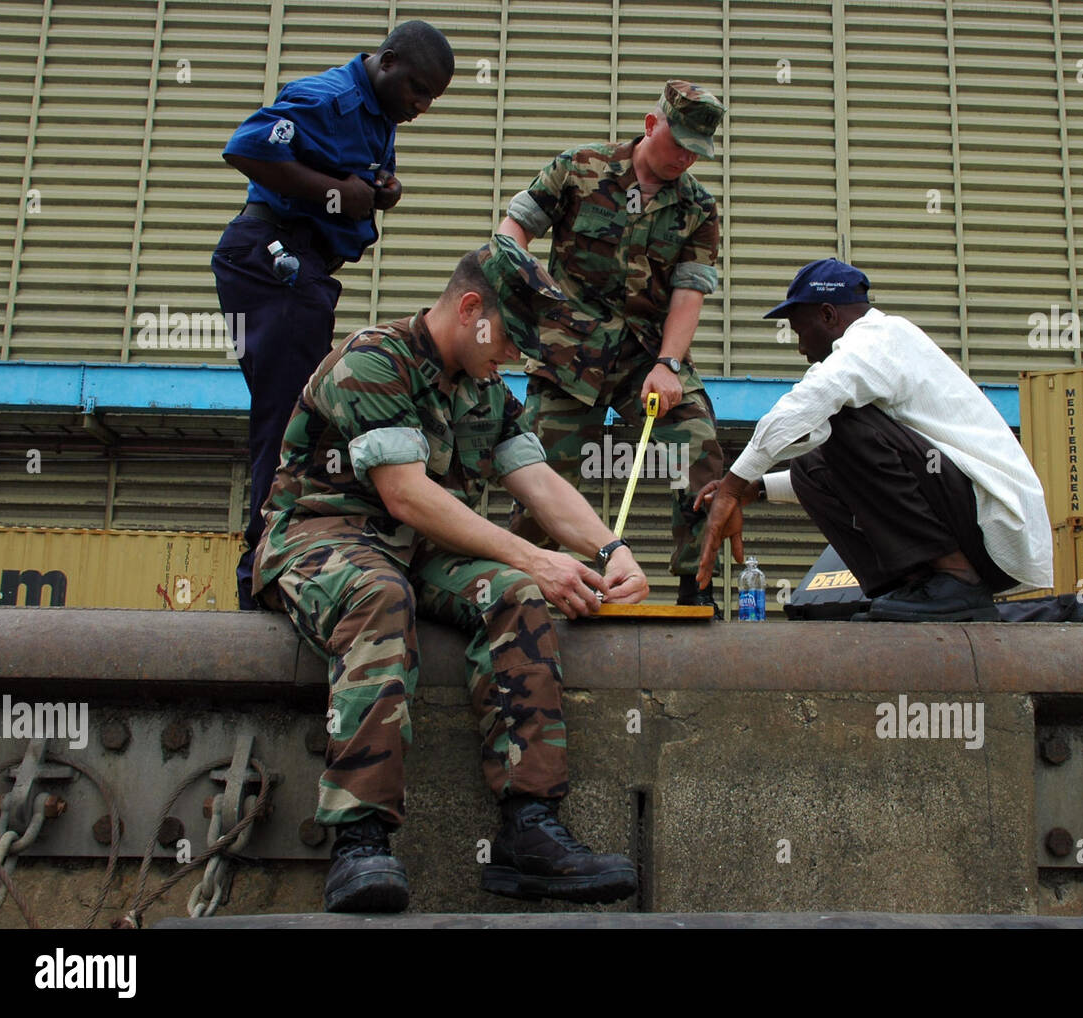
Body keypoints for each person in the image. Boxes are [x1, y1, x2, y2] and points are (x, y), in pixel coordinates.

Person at [253, 235, 649, 912]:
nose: (515, 359)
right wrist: (532, 553)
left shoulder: (486, 390)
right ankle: (360, 839)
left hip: (415, 548)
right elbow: (405, 493)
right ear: (472, 308)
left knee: (519, 594)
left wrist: (610, 550)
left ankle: (529, 831)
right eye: (510, 341)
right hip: (324, 534)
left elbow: (537, 482)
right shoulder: (374, 360)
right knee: (380, 595)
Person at [213, 20, 454, 609]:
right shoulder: (330, 98)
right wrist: (336, 194)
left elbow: (354, 181)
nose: (421, 107)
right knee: (286, 420)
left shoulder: (379, 115)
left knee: (301, 420)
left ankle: (274, 563)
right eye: (417, 90)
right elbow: (246, 146)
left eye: (432, 99)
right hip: (275, 261)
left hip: (306, 271)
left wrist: (377, 192)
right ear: (388, 61)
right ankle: (262, 575)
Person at [695, 258, 1053, 622]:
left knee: (835, 416)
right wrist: (756, 488)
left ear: (829, 315)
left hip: (995, 530)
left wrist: (730, 487)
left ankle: (954, 576)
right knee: (808, 465)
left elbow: (815, 398)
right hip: (973, 527)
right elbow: (863, 471)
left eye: (800, 332)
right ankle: (908, 586)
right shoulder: (877, 354)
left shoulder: (880, 339)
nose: (800, 347)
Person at [495, 80, 728, 613]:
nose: (685, 158)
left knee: (697, 443)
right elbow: (512, 235)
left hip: (647, 354)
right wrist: (525, 305)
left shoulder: (698, 208)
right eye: (679, 142)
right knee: (542, 468)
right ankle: (522, 591)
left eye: (697, 150)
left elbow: (689, 292)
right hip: (569, 353)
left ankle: (697, 587)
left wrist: (669, 364)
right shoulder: (579, 168)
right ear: (652, 125)